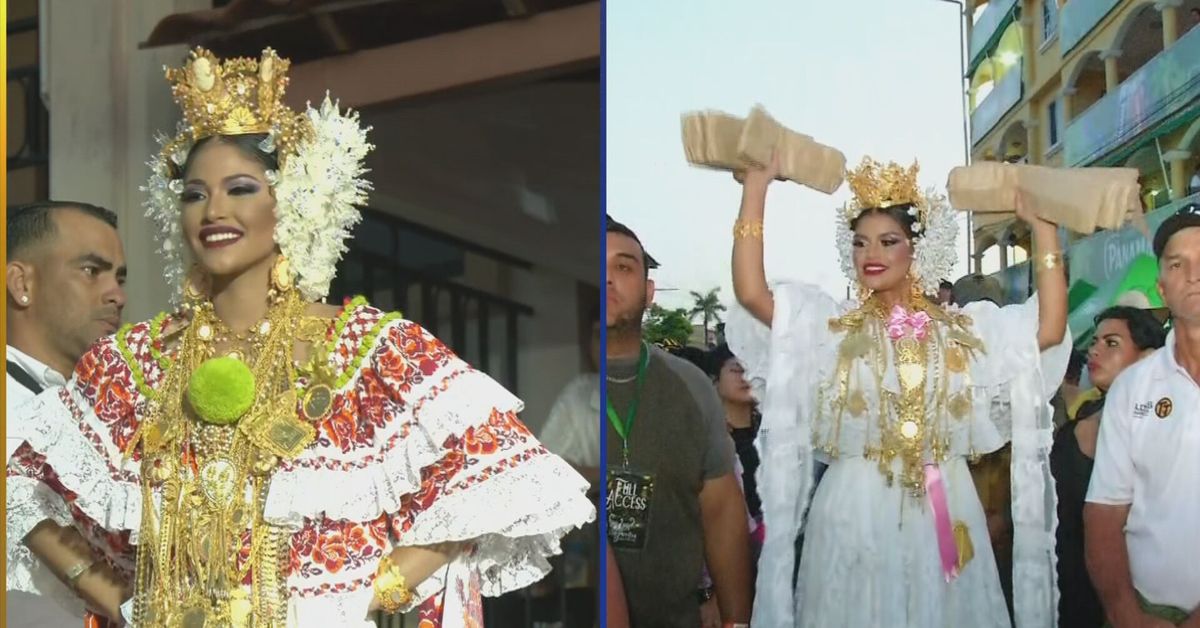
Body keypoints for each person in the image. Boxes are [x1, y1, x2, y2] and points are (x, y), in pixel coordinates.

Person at [5, 47, 594, 627]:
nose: (213, 210)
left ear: (290, 199)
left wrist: (364, 595)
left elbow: (497, 473)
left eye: (240, 189)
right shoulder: (130, 364)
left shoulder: (367, 349)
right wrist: (119, 600)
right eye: (193, 194)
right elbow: (23, 488)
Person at [726, 155, 1069, 627]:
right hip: (853, 509)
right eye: (861, 242)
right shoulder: (831, 327)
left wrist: (1044, 229)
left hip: (945, 505)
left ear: (918, 249)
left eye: (889, 242)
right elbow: (751, 294)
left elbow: (1048, 329)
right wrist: (757, 189)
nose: (872, 254)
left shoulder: (962, 330)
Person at [606, 217, 752, 627]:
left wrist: (735, 619)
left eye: (623, 267)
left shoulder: (689, 385)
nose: (607, 281)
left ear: (649, 292)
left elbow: (722, 510)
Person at [6, 201, 128, 627]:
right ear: (21, 283)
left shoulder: (113, 412)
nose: (117, 294)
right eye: (92, 271)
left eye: (119, 277)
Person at [1085, 202, 1200, 628]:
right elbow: (1103, 513)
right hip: (1146, 612)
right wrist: (1124, 614)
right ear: (1162, 287)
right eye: (1178, 263)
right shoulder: (1133, 389)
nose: (1194, 274)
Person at [1051, 306, 1166, 628]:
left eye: (1112, 343)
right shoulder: (1077, 423)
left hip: (1132, 602)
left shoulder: (1164, 431)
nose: (1095, 349)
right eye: (1096, 341)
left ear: (1147, 358)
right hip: (1065, 594)